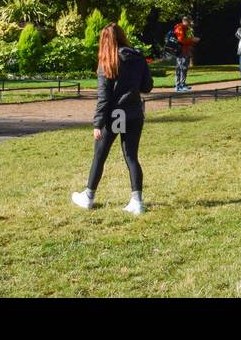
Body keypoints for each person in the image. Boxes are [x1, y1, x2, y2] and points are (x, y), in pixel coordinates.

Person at [72, 23, 153, 214]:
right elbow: (147, 86)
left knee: (100, 155)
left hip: (117, 114)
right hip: (135, 112)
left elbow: (104, 97)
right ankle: (137, 201)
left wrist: (98, 123)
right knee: (131, 156)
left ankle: (89, 196)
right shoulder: (139, 57)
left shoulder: (107, 62)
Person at [171, 16, 198, 92]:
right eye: (189, 21)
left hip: (185, 50)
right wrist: (192, 40)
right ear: (186, 21)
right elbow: (181, 40)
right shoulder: (180, 27)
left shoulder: (186, 28)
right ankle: (178, 86)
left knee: (184, 67)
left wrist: (192, 40)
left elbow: (188, 38)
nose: (191, 23)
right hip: (181, 51)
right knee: (181, 67)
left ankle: (182, 84)